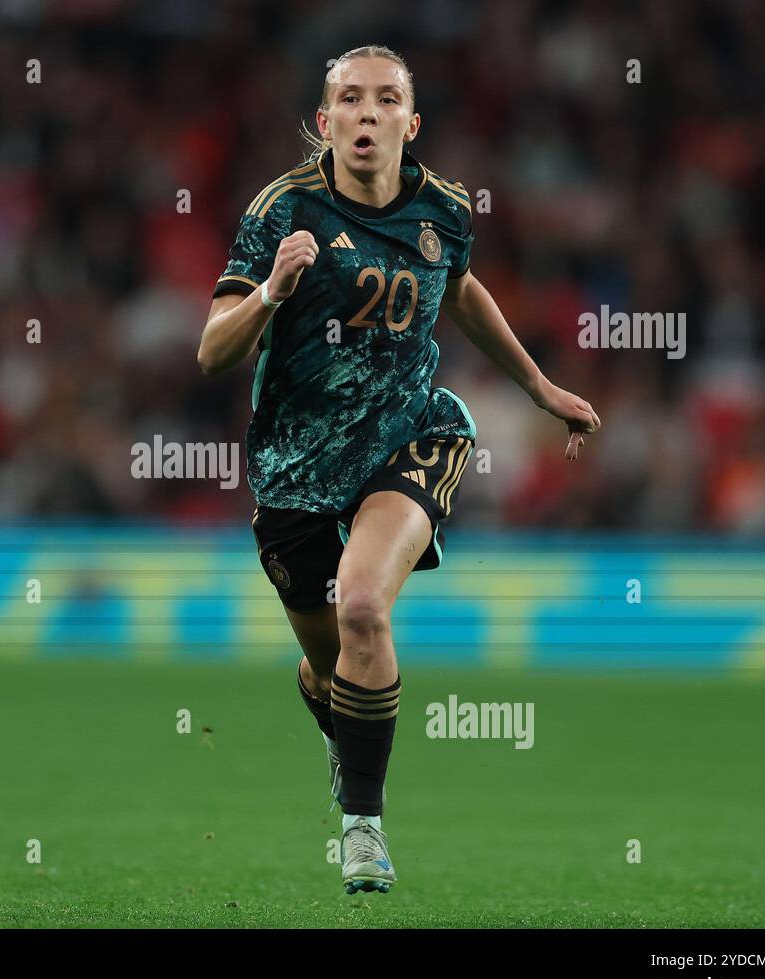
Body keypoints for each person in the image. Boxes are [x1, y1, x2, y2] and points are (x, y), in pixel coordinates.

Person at [197, 45, 601, 894]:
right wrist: (271, 291)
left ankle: (362, 828)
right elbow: (211, 351)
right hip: (296, 469)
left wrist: (536, 385)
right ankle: (343, 725)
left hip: (411, 436)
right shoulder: (283, 211)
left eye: (386, 101)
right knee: (328, 665)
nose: (368, 113)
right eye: (351, 99)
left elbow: (457, 288)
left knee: (365, 610)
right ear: (326, 121)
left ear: (409, 125)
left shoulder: (444, 209)